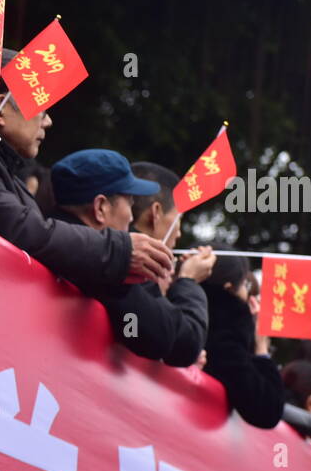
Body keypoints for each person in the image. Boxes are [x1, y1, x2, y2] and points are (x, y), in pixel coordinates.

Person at [0, 53, 174, 290]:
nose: (48, 122)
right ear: (1, 110)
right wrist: (117, 250)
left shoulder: (2, 170)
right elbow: (17, 228)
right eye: (41, 109)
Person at [46, 149, 208, 365]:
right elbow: (175, 341)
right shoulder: (105, 268)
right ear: (101, 207)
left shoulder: (44, 240)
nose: (131, 216)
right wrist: (188, 281)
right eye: (130, 202)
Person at [127, 160, 217, 365]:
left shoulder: (111, 255)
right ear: (156, 213)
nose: (179, 233)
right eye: (178, 219)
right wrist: (188, 281)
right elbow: (182, 344)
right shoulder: (128, 270)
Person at [198, 253, 285, 427]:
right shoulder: (226, 335)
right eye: (245, 284)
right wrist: (261, 349)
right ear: (230, 288)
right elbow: (266, 409)